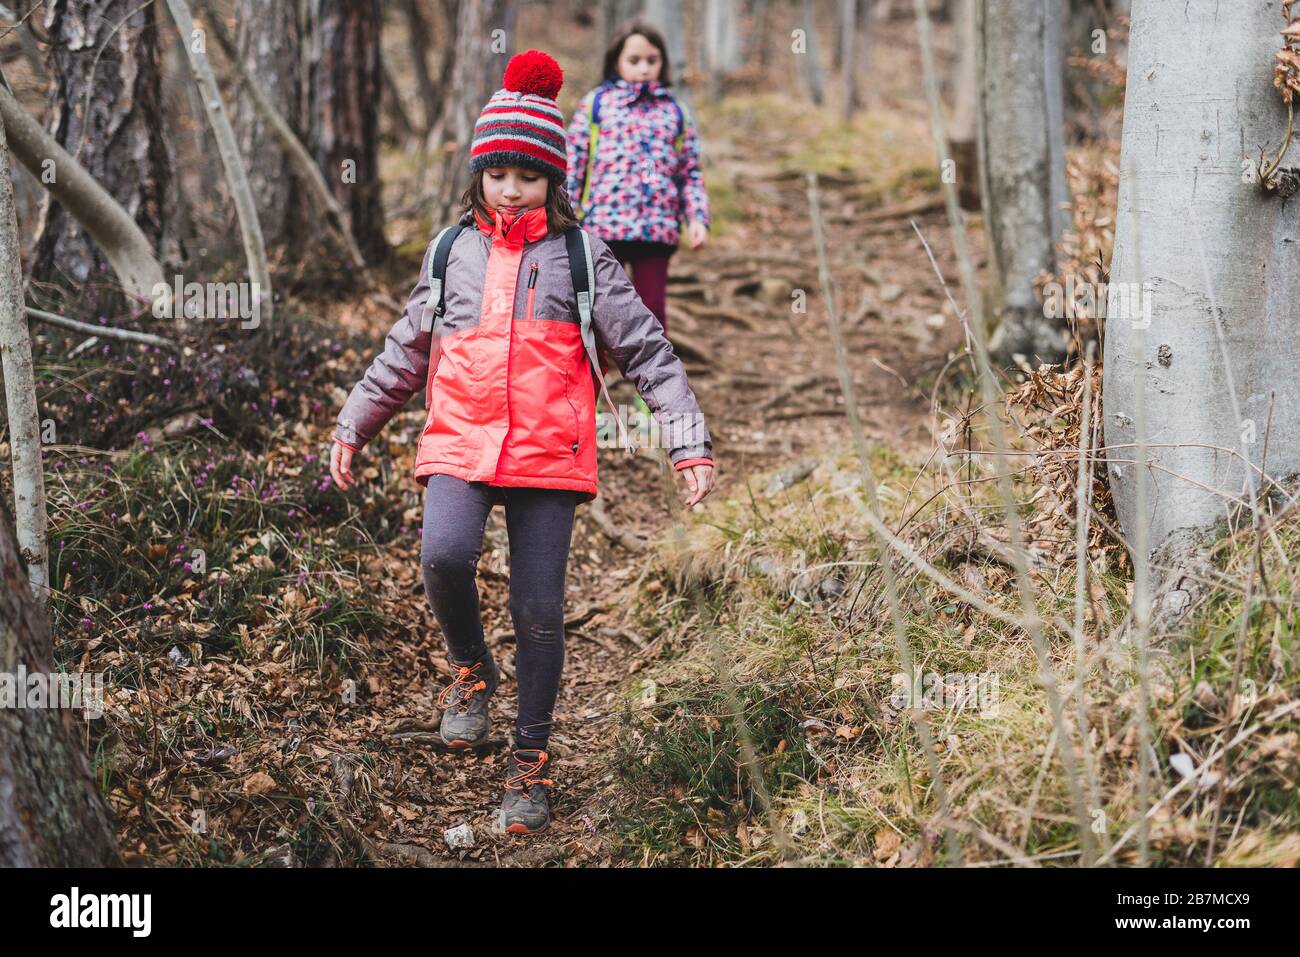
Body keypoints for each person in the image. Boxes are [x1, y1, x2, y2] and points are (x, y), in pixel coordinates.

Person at [328, 50, 715, 835]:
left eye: (528, 176)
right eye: (498, 173)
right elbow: (406, 351)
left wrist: (688, 444)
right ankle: (472, 670)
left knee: (540, 609)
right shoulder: (450, 252)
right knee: (443, 555)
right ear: (478, 176)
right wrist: (352, 423)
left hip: (549, 449)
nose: (511, 188)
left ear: (554, 182)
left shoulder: (582, 257)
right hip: (460, 438)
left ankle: (528, 764)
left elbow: (646, 351)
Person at [565, 20, 711, 339]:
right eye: (634, 61)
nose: (644, 68)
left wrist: (697, 218)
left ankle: (649, 389)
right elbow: (574, 165)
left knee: (652, 313)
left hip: (657, 229)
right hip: (604, 227)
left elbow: (690, 171)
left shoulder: (675, 112)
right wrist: (565, 215)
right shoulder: (596, 105)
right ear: (616, 61)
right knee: (598, 312)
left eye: (652, 60)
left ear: (662, 62)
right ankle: (589, 385)